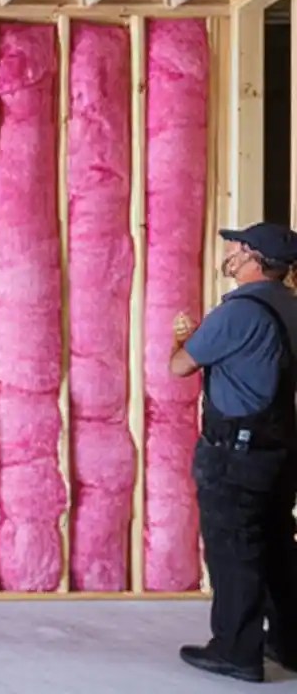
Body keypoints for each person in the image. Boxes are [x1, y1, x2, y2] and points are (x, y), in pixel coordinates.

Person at [169, 221, 297, 683]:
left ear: (255, 260)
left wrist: (183, 337)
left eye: (240, 248)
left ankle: (236, 651)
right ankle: (290, 644)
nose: (233, 253)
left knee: (234, 550)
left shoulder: (236, 313)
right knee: (279, 546)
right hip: (280, 453)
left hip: (235, 455)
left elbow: (180, 366)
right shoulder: (290, 308)